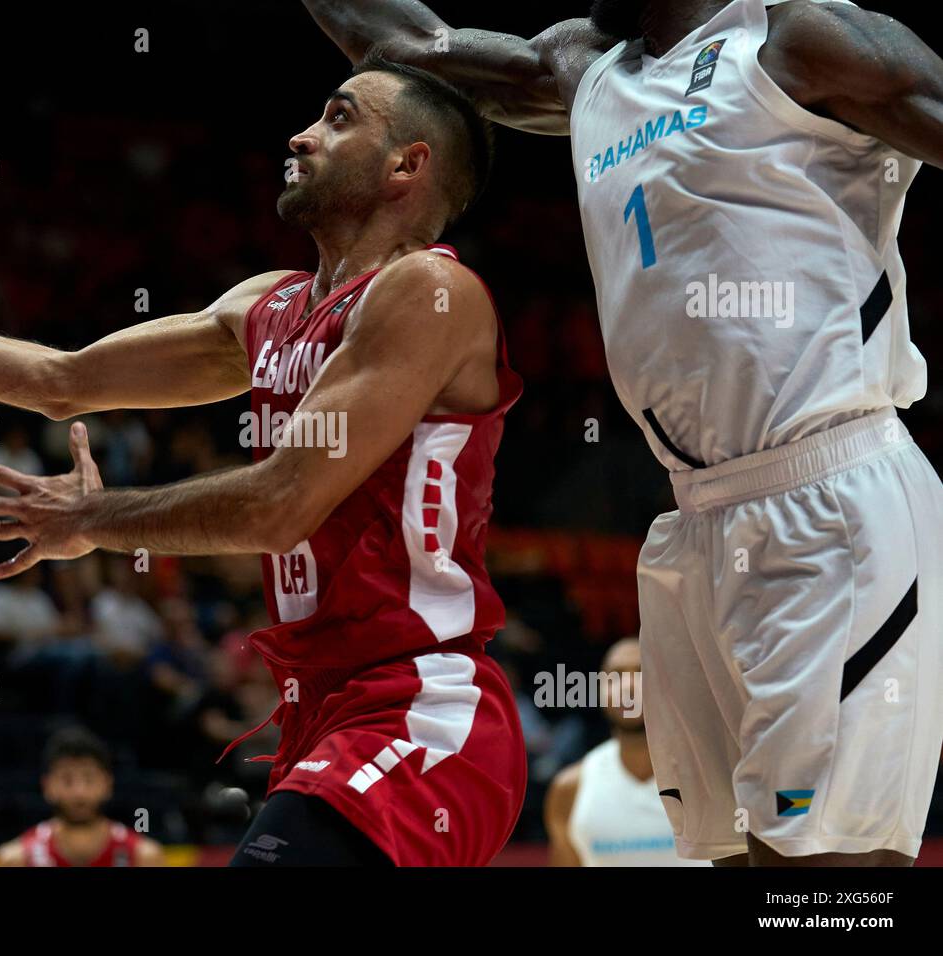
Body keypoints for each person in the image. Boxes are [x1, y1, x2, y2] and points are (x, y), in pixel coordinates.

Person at [0, 55, 526, 866]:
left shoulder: (428, 293)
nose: (300, 136)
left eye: (339, 119)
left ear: (408, 163)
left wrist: (95, 519)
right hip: (322, 716)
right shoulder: (267, 304)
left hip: (421, 705)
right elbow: (66, 381)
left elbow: (280, 503)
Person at [303, 0, 943, 867]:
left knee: (829, 867)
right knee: (733, 854)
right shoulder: (585, 68)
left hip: (830, 492)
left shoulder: (796, 39)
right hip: (696, 516)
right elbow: (403, 46)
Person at [545, 637, 709, 866]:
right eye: (615, 675)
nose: (628, 685)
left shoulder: (714, 778)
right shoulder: (569, 789)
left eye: (642, 672)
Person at [0, 727, 164, 867]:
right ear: (47, 786)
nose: (79, 792)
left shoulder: (144, 857)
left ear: (107, 784)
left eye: (89, 779)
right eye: (67, 780)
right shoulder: (17, 859)